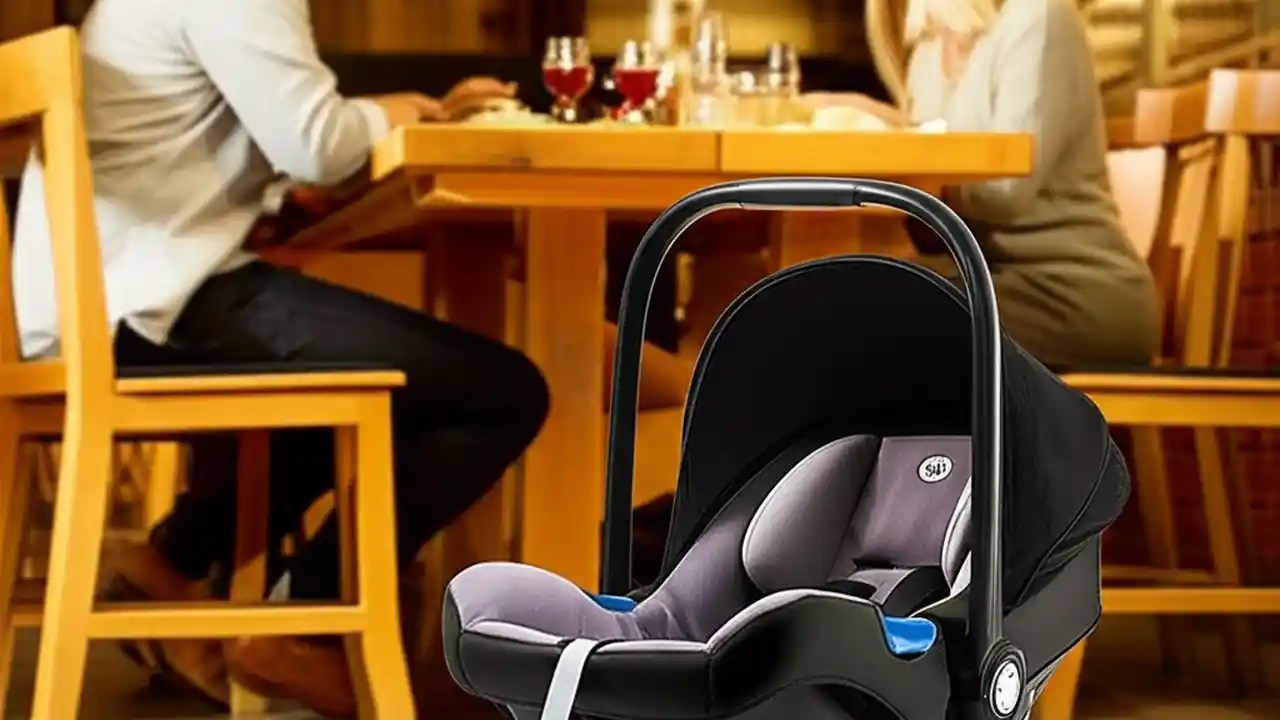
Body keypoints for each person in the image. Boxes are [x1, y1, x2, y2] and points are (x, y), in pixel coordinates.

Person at [13, 0, 548, 715]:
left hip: (99, 303)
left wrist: (382, 116)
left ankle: (175, 558)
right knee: (498, 388)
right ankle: (300, 636)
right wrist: (397, 110)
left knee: (377, 376)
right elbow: (316, 147)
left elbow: (287, 144)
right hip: (159, 300)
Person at [874, 0, 1161, 367]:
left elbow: (1006, 192)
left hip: (1073, 291)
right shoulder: (927, 54)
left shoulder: (1038, 18)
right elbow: (934, 231)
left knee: (882, 310)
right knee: (857, 288)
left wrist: (919, 183)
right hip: (991, 278)